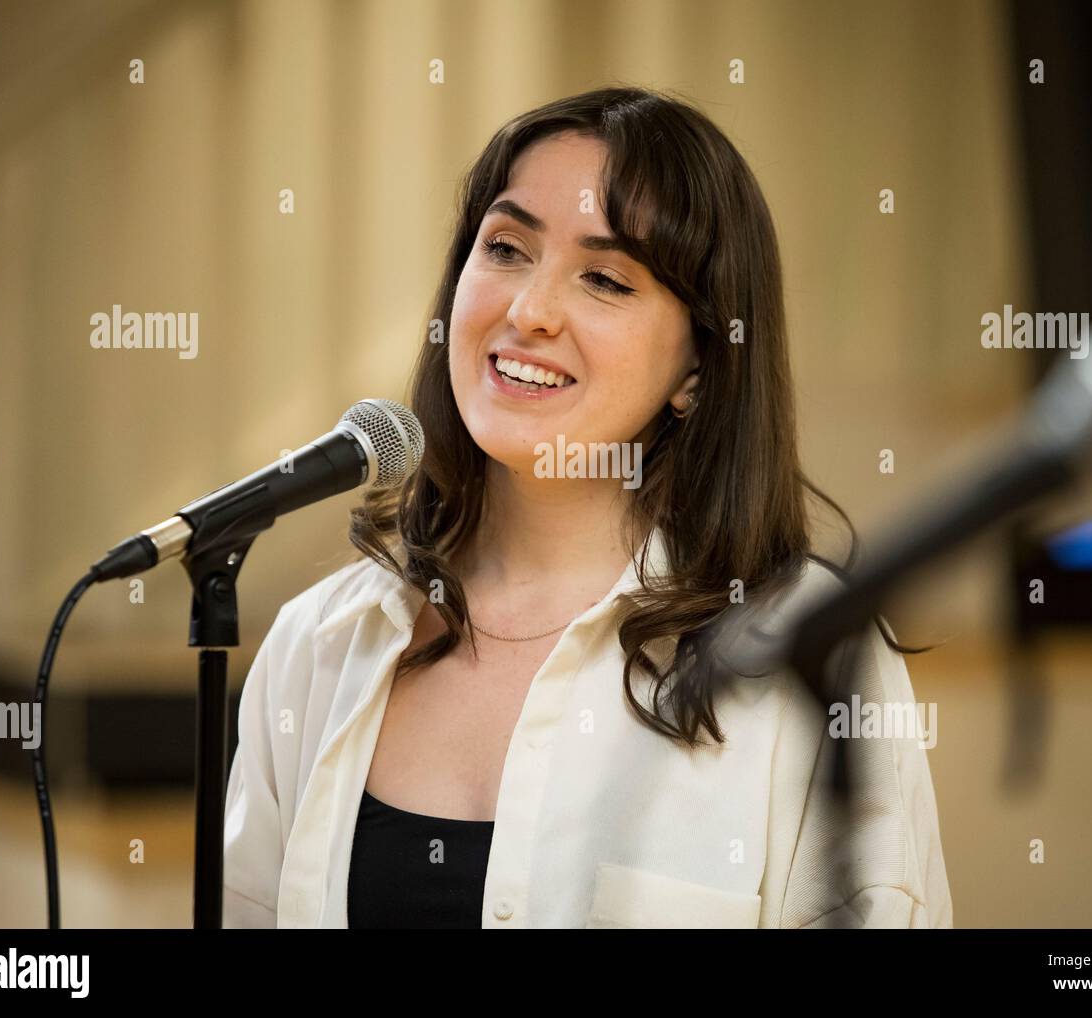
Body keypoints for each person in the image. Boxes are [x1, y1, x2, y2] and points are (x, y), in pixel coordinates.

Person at [222, 85, 952, 929]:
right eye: (504, 248)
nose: (528, 311)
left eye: (604, 279)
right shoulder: (318, 643)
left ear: (697, 370)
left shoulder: (814, 653)